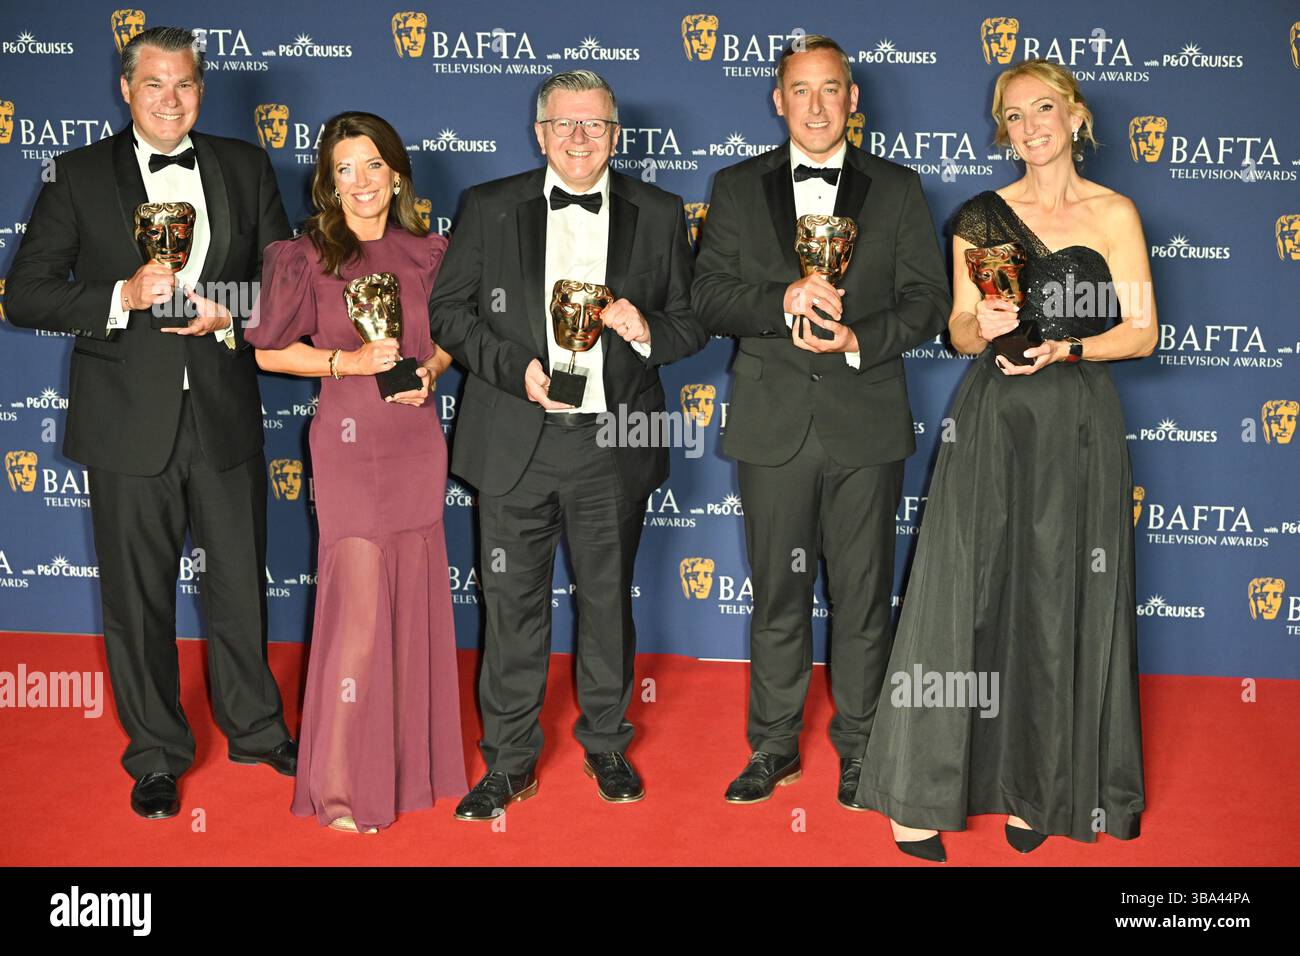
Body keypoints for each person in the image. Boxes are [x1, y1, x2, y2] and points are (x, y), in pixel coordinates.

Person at [855, 58, 1156, 861]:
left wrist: (1066, 348)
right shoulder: (982, 218)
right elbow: (954, 328)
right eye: (1014, 115)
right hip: (994, 419)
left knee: (1058, 593)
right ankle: (915, 796)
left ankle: (1039, 785)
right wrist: (982, 326)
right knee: (965, 587)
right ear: (1003, 130)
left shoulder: (1115, 213)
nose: (1031, 126)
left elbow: (1141, 332)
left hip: (1077, 421)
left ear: (1076, 116)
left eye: (1044, 108)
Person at [6, 26, 296, 820]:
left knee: (240, 584)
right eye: (155, 85)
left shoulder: (243, 163)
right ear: (125, 90)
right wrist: (120, 298)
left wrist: (226, 312)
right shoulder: (76, 174)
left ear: (202, 89)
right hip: (125, 420)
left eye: (186, 85)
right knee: (138, 600)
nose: (172, 100)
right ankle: (158, 753)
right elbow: (26, 292)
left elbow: (287, 286)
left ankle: (257, 728)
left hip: (225, 411)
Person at [429, 70, 704, 820]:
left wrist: (643, 330)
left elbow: (692, 321)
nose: (580, 139)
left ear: (616, 135)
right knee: (511, 605)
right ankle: (510, 761)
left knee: (607, 600)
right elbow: (450, 314)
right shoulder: (488, 208)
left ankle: (607, 741)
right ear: (540, 132)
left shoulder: (661, 211)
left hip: (612, 440)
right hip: (515, 437)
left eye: (595, 126)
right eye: (565, 125)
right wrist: (513, 370)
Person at [692, 36, 950, 808]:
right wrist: (782, 300)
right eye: (799, 91)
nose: (814, 105)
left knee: (864, 599)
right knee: (776, 595)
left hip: (864, 418)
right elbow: (709, 298)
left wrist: (860, 338)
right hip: (774, 424)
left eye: (829, 89)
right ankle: (773, 749)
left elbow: (928, 302)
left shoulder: (899, 189)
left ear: (852, 100)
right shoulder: (736, 187)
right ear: (777, 100)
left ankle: (863, 748)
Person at [246, 112, 467, 834]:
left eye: (374, 166)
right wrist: (344, 362)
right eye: (347, 168)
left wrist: (430, 372)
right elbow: (269, 352)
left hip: (415, 442)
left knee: (410, 599)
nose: (362, 182)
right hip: (348, 444)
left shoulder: (431, 252)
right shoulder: (305, 255)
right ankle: (342, 784)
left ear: (397, 173)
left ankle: (404, 769)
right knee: (360, 616)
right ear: (328, 180)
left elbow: (448, 345)